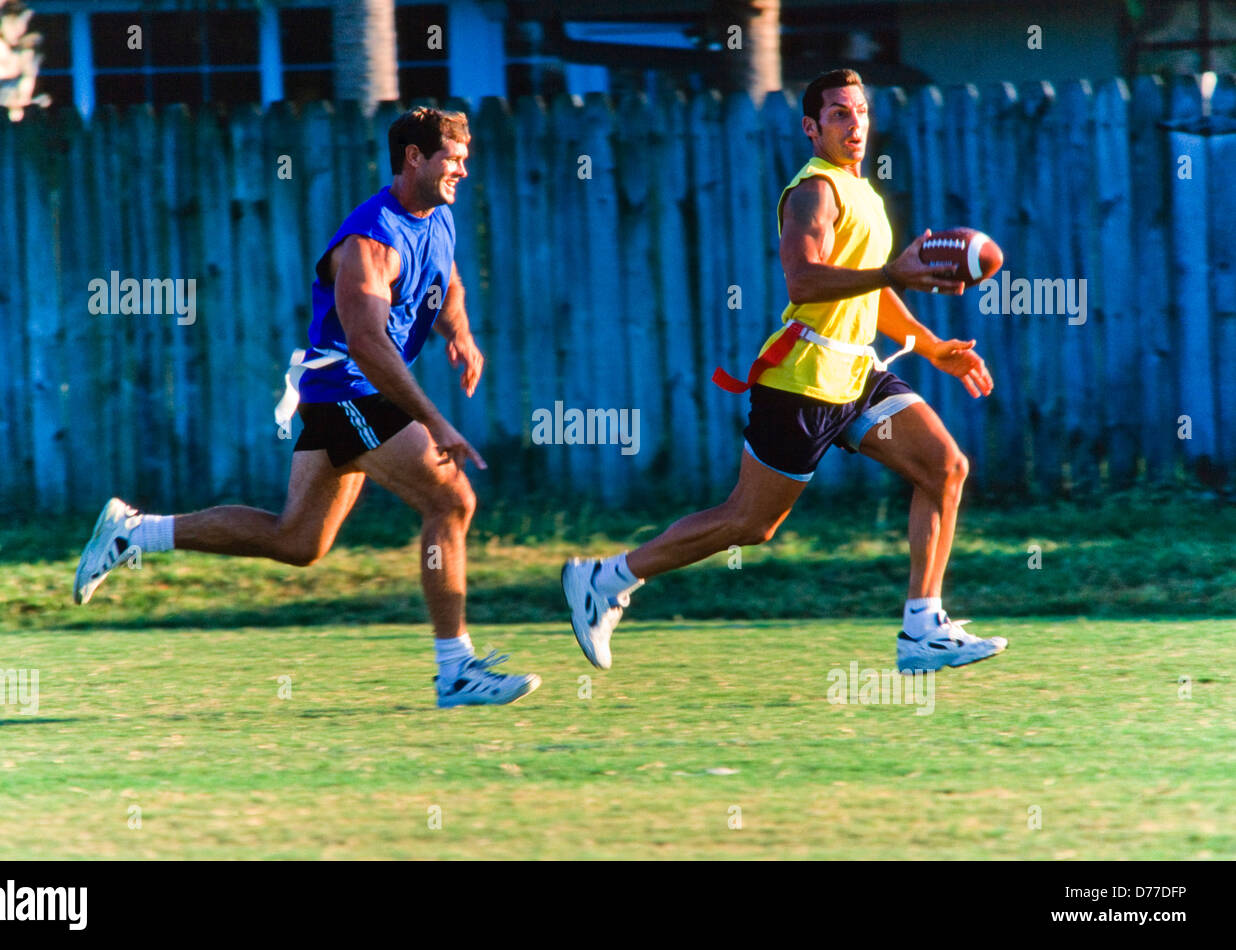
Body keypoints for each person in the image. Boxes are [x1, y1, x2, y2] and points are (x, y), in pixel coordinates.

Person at [74, 107, 540, 709]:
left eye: (465, 160)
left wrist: (462, 333)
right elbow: (368, 344)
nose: (462, 170)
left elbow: (446, 281)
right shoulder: (369, 241)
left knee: (298, 541)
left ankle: (134, 533)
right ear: (413, 158)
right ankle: (456, 670)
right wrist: (435, 420)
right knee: (451, 498)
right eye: (452, 159)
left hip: (353, 395)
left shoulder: (437, 218)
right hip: (348, 388)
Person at [562, 69, 1006, 675]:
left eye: (861, 113)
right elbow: (805, 279)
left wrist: (931, 347)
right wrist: (893, 275)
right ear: (811, 127)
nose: (855, 125)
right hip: (802, 379)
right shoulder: (813, 192)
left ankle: (922, 627)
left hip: (858, 375)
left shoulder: (865, 195)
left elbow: (869, 293)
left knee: (945, 466)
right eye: (839, 115)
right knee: (750, 522)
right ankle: (606, 578)